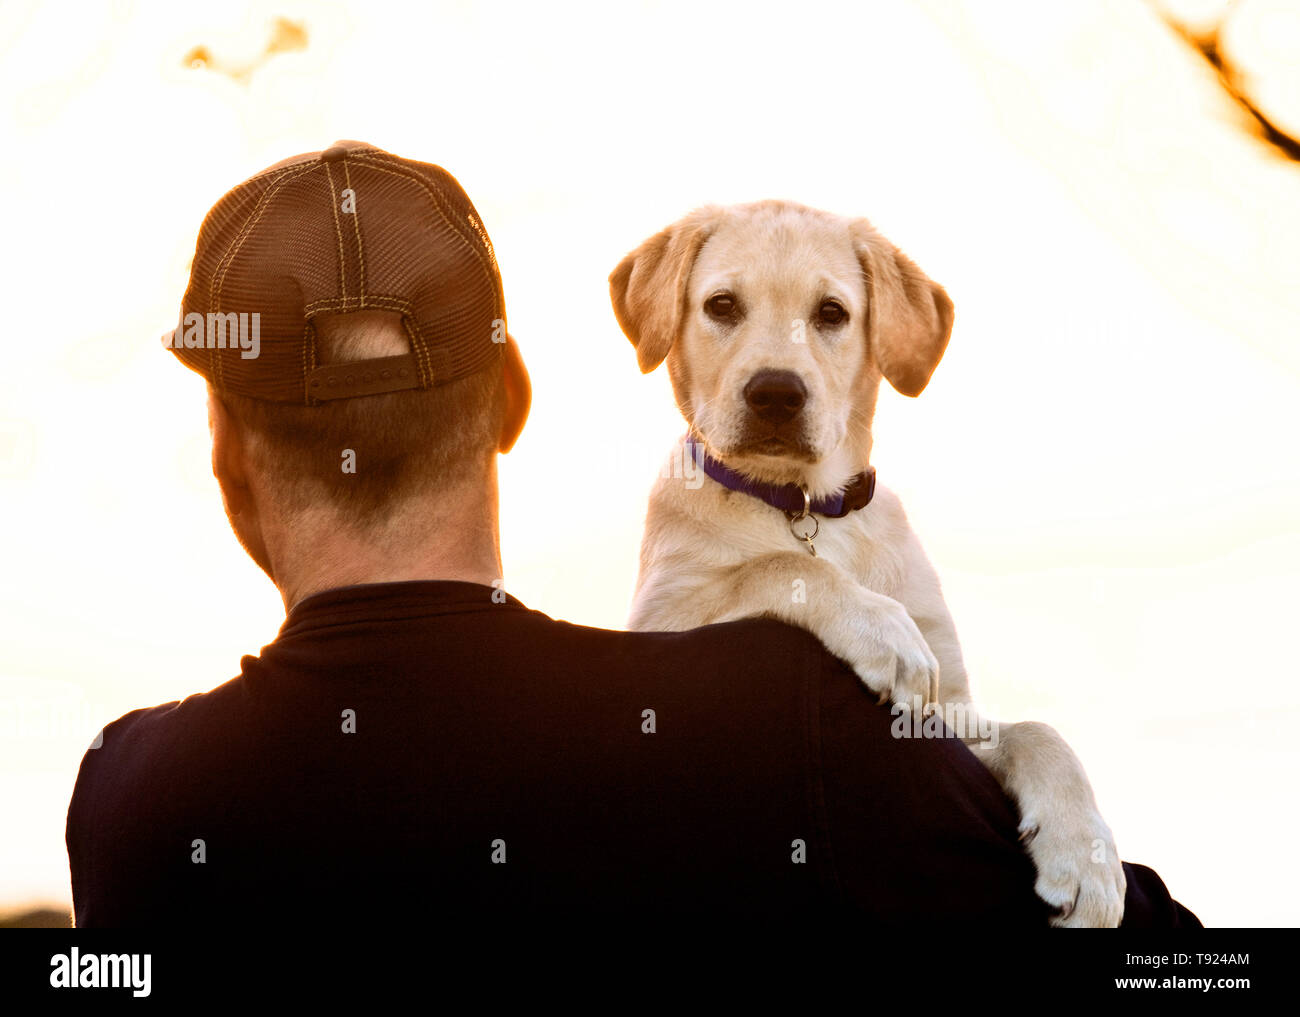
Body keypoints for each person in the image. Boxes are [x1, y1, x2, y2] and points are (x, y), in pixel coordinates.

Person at [65, 141, 1199, 929]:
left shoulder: (128, 805)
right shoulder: (785, 725)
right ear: (512, 405)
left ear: (222, 447)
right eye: (727, 311)